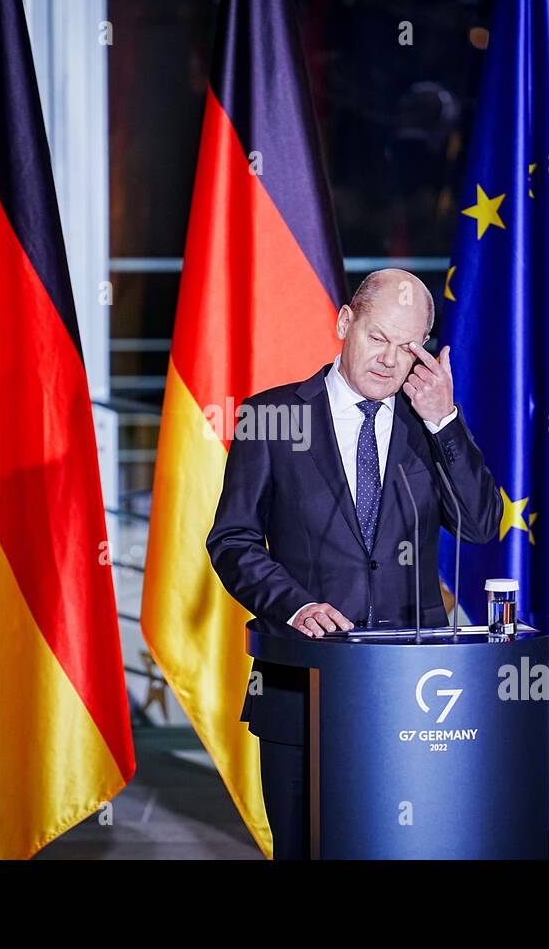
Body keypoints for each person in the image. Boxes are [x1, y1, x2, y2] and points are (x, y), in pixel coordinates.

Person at [206, 267, 501, 858]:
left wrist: (446, 421)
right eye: (377, 338)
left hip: (413, 696)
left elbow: (481, 524)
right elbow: (232, 540)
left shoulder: (429, 424)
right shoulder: (272, 418)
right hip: (301, 688)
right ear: (345, 322)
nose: (390, 360)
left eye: (407, 347)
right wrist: (295, 605)